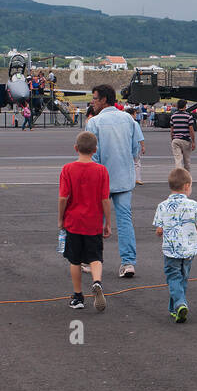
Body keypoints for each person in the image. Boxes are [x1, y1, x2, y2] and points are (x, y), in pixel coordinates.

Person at [85, 83, 144, 278]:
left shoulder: (94, 123)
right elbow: (136, 149)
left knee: (97, 221)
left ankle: (92, 260)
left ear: (103, 100)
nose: (92, 102)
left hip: (101, 180)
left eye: (94, 98)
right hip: (125, 179)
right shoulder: (128, 119)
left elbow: (93, 155)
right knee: (125, 220)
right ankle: (128, 263)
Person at [58, 131, 112, 312]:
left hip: (74, 221)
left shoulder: (67, 169)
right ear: (95, 150)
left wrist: (61, 218)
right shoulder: (101, 170)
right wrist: (108, 222)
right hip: (93, 222)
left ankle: (78, 296)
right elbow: (105, 199)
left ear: (76, 148)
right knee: (95, 257)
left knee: (75, 260)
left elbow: (63, 197)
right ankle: (97, 282)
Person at [154, 167, 197, 323]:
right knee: (182, 277)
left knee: (173, 277)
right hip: (189, 249)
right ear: (187, 186)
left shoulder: (162, 206)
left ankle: (180, 303)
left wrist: (161, 232)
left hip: (171, 249)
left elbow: (159, 229)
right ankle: (174, 308)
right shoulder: (194, 205)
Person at [169, 99, 196, 170]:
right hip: (186, 140)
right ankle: (187, 178)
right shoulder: (188, 116)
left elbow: (172, 130)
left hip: (176, 140)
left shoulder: (173, 116)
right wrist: (193, 141)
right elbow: (191, 130)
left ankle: (178, 176)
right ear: (185, 106)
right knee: (186, 161)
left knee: (178, 160)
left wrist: (172, 139)